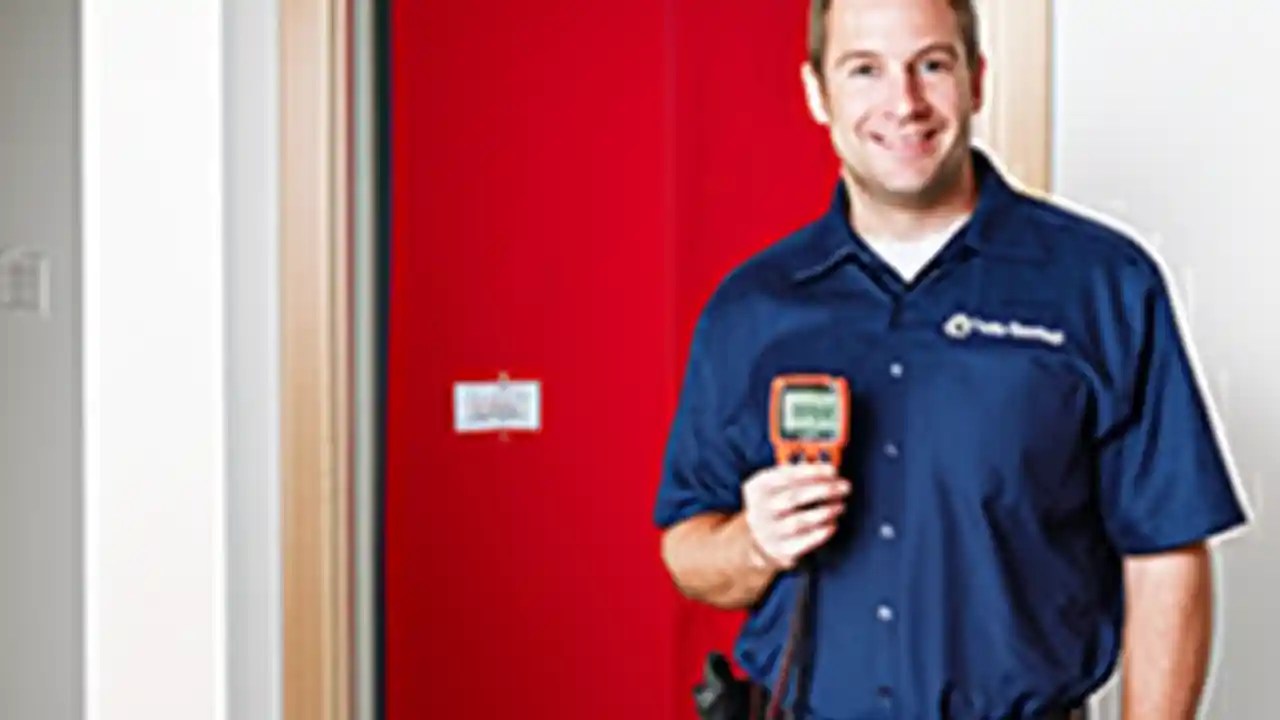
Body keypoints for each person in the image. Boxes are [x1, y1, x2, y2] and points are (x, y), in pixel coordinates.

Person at [652, 0, 1250, 718]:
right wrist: (755, 544)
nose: (902, 104)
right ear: (818, 92)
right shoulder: (751, 309)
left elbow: (1166, 552)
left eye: (931, 64)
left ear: (976, 81)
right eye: (864, 69)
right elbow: (688, 550)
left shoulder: (1103, 286)